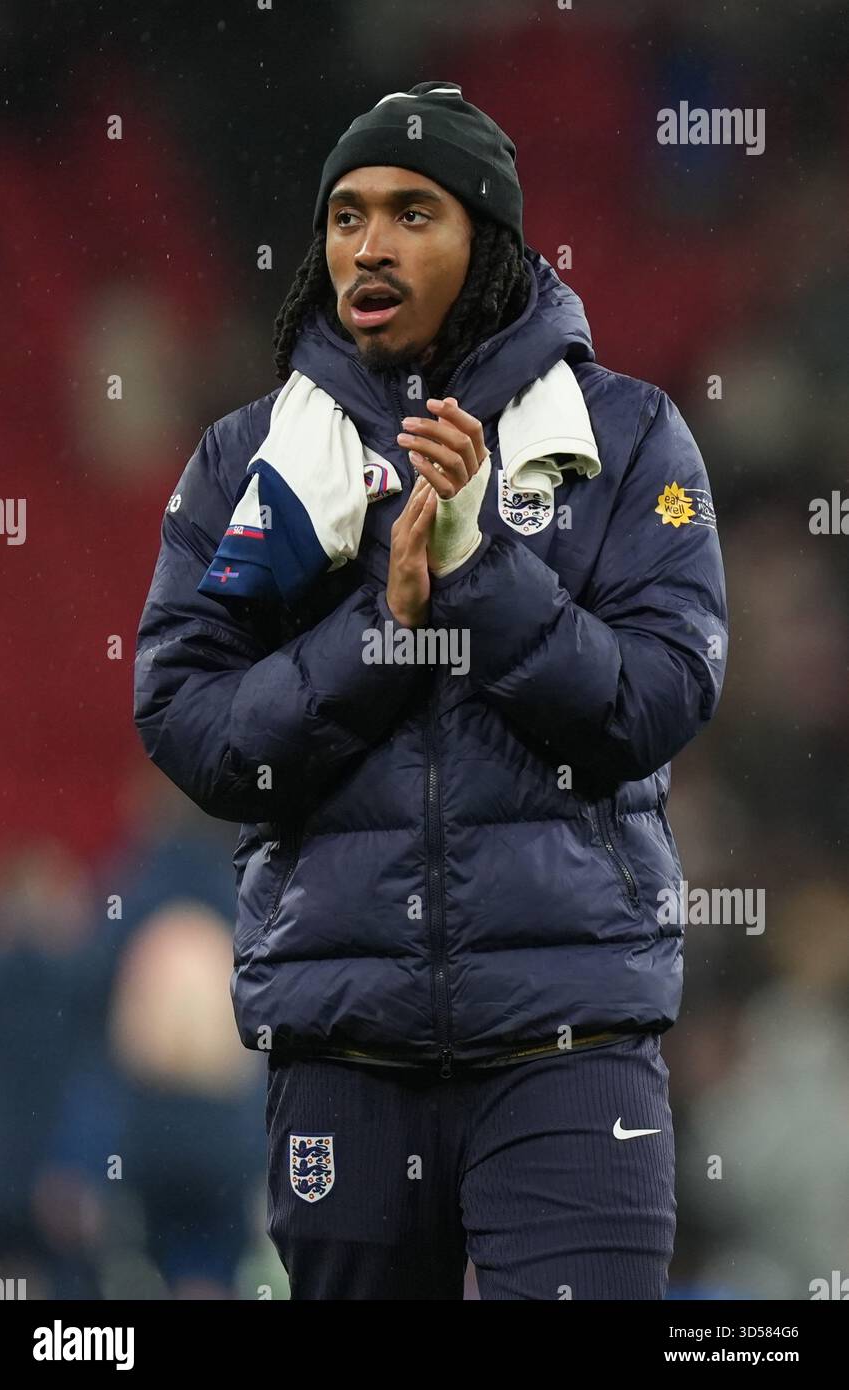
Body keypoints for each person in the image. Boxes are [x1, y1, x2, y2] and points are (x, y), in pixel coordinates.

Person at [133, 80, 728, 1300]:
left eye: (414, 212)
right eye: (346, 215)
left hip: (572, 1040)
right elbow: (190, 728)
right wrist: (377, 634)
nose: (369, 244)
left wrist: (478, 569)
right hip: (341, 1046)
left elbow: (655, 701)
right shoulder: (247, 464)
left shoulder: (631, 443)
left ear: (489, 244)